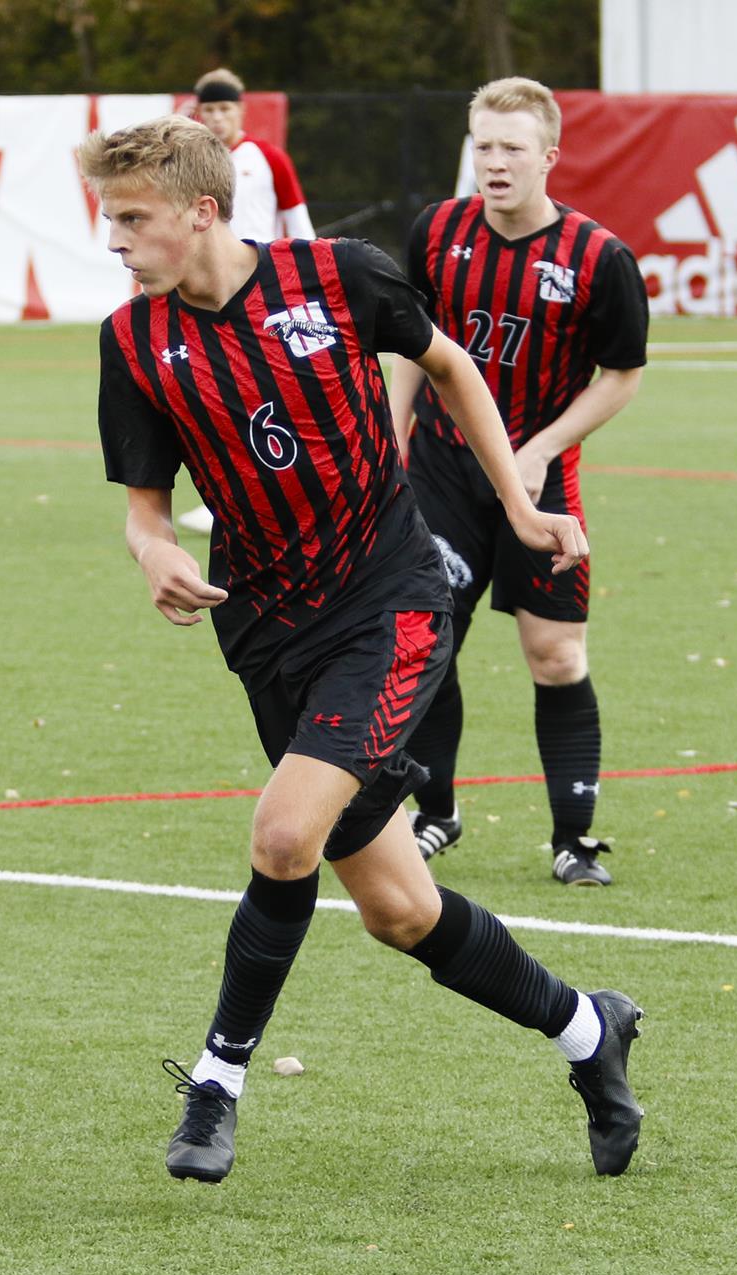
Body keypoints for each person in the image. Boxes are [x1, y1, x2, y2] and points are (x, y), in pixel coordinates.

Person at [79, 116, 642, 1183]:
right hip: (264, 631)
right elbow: (144, 508)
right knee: (396, 910)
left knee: (283, 835)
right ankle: (586, 1029)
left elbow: (451, 366)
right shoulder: (132, 342)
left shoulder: (338, 276)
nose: (114, 240)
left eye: (130, 219)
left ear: (200, 210)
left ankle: (216, 1082)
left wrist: (518, 505)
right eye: (108, 218)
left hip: (390, 608)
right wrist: (150, 551)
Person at [389, 78, 648, 887]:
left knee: (555, 654)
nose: (494, 163)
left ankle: (573, 839)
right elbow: (405, 342)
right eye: (484, 146)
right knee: (424, 634)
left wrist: (539, 449)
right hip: (441, 468)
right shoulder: (436, 231)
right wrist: (392, 432)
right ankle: (436, 814)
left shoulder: (599, 258)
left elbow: (622, 375)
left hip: (542, 483)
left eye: (512, 148)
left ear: (549, 157)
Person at [174, 67, 315, 537]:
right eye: (208, 109)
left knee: (277, 386)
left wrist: (307, 279)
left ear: (240, 109)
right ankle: (225, 498)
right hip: (210, 290)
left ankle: (290, 486)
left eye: (224, 108)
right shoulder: (189, 164)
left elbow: (298, 222)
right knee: (218, 390)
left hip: (265, 286)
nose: (216, 118)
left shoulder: (267, 157)